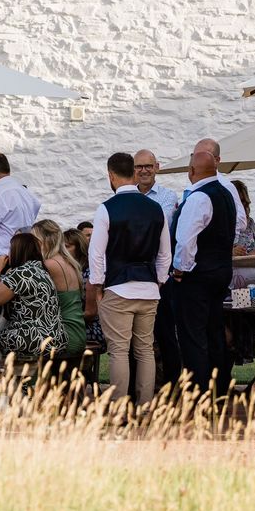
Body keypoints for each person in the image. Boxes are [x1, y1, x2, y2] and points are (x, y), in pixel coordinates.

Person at [89, 150, 170, 407]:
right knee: (145, 350)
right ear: (134, 173)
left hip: (118, 287)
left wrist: (98, 286)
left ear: (111, 175)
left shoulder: (107, 208)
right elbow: (165, 253)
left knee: (119, 351)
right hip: (149, 287)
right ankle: (145, 407)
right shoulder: (156, 208)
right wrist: (158, 280)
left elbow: (96, 254)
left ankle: (119, 408)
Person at [169, 138, 245, 396]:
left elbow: (185, 240)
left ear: (191, 171)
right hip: (220, 271)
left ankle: (199, 391)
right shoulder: (226, 193)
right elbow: (236, 229)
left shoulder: (199, 197)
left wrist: (180, 269)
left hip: (197, 276)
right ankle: (220, 388)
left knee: (193, 336)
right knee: (214, 332)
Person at [133, 149, 183, 383]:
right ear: (133, 170)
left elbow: (156, 226)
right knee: (135, 335)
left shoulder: (167, 196)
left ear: (157, 167)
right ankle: (137, 387)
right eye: (139, 167)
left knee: (165, 332)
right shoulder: (125, 196)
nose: (144, 170)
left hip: (160, 273)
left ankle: (173, 386)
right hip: (133, 273)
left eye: (148, 166)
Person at [0, 232, 70, 358]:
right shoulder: (41, 270)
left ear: (17, 251)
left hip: (33, 339)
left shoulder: (21, 273)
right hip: (56, 337)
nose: (8, 253)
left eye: (10, 249)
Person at [30, 219, 88, 360]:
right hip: (78, 332)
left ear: (47, 240)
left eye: (34, 239)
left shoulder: (49, 264)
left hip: (62, 336)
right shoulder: (69, 262)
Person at [229, 181, 255, 254]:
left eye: (243, 201)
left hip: (250, 264)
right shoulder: (218, 222)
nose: (241, 205)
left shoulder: (250, 223)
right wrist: (231, 252)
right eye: (237, 201)